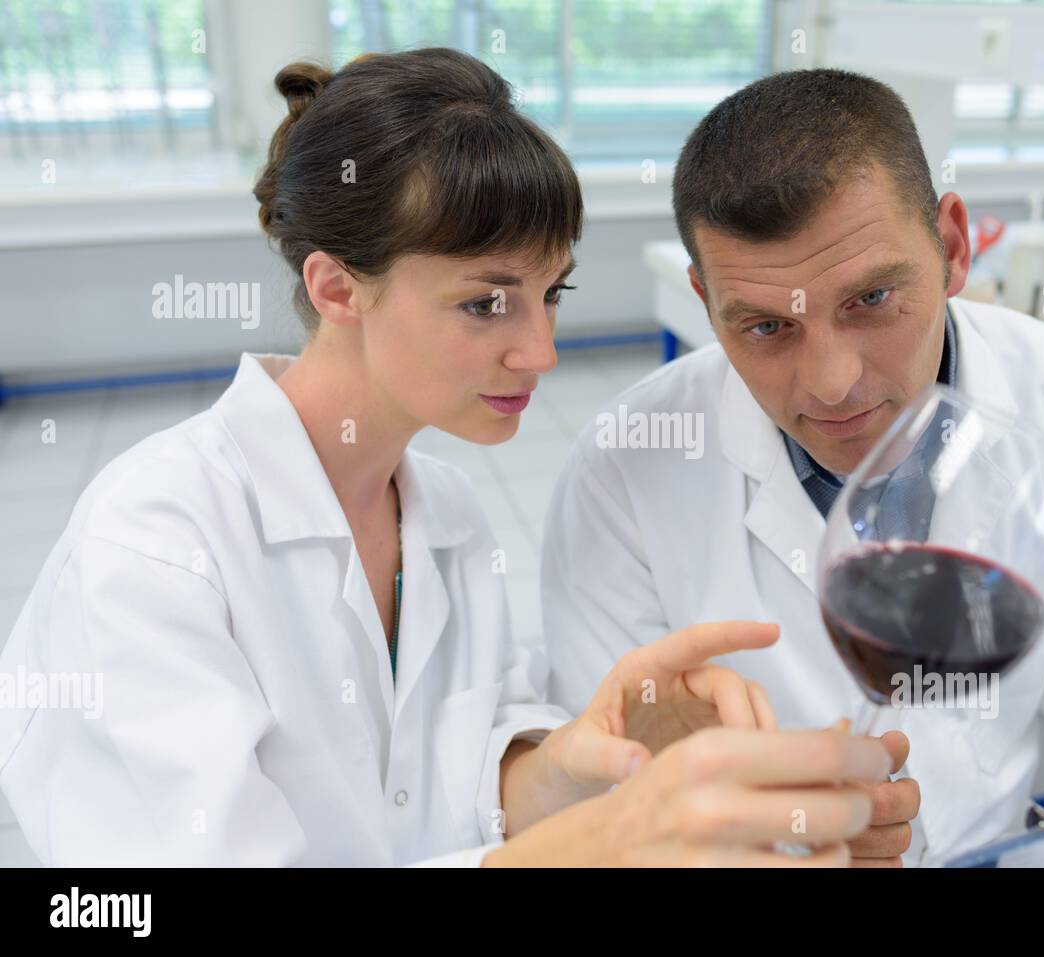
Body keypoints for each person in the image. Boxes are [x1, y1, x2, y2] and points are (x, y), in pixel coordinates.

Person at [0, 50, 891, 868]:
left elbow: (459, 809)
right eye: (485, 304)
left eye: (551, 294)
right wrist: (595, 845)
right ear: (337, 286)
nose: (539, 350)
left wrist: (578, 760)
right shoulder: (152, 549)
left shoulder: (449, 516)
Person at [541, 68, 1044, 868]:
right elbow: (607, 776)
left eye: (872, 298)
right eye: (766, 326)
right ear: (706, 302)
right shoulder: (621, 469)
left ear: (951, 247)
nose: (832, 383)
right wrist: (772, 833)